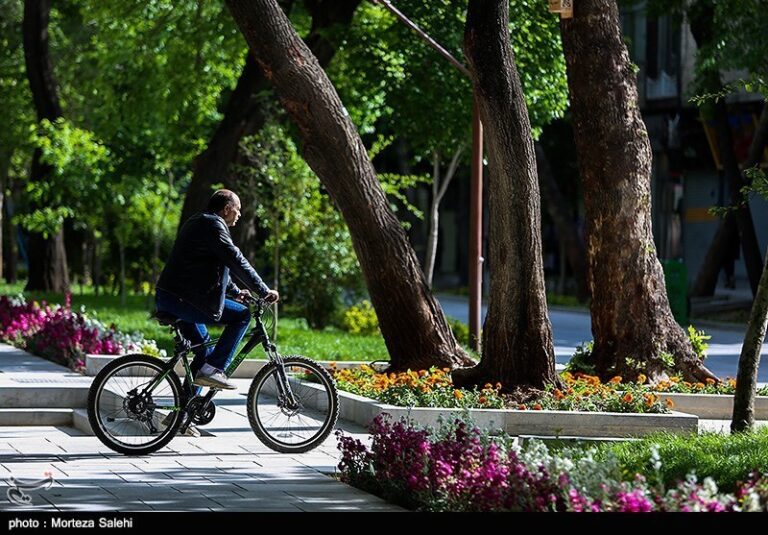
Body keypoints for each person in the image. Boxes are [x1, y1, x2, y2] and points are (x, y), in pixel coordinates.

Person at [155, 189, 279, 392]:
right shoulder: (213, 224)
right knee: (242, 315)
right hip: (182, 300)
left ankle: (183, 415)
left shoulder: (199, 221)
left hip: (174, 297)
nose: (239, 215)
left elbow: (211, 269)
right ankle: (214, 370)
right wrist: (263, 290)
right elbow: (235, 259)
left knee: (204, 352)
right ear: (227, 209)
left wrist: (236, 291)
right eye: (238, 210)